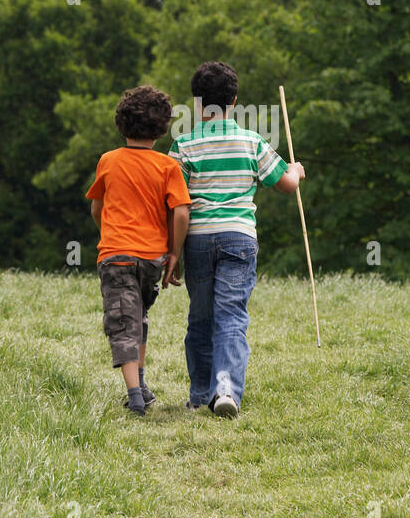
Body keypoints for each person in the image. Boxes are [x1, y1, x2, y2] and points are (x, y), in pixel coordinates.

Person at [168, 62, 306, 418]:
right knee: (231, 315)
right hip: (239, 237)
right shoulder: (251, 141)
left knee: (200, 317)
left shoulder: (183, 145)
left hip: (197, 240)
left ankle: (200, 394)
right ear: (235, 99)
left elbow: (173, 203)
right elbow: (286, 185)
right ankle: (226, 390)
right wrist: (296, 170)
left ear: (198, 103)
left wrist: (173, 251)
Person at [86, 85, 191, 416]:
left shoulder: (109, 161)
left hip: (116, 256)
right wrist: (174, 254)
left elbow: (96, 208)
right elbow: (181, 213)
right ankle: (141, 385)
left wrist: (112, 235)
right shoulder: (167, 167)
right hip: (151, 259)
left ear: (122, 123)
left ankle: (133, 395)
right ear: (162, 128)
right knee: (139, 317)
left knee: (122, 322)